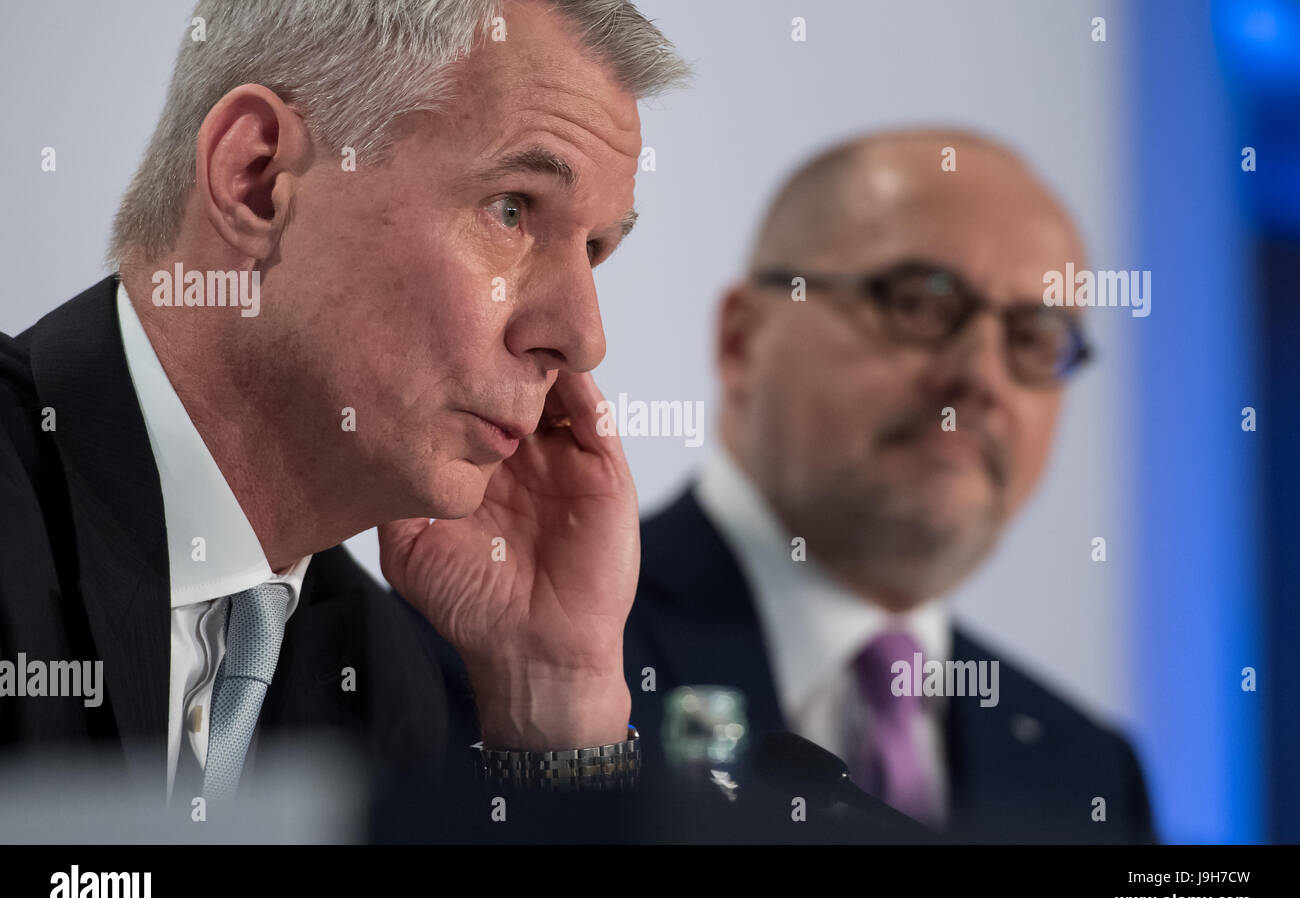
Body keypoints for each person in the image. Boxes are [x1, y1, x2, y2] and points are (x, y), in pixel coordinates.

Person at [0, 0, 688, 813]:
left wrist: (554, 695)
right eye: (512, 209)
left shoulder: (381, 685)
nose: (583, 336)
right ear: (255, 180)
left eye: (597, 249)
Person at [624, 130, 1156, 843]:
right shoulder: (532, 659)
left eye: (1034, 336)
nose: (981, 376)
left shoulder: (1088, 771)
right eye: (920, 303)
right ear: (742, 340)